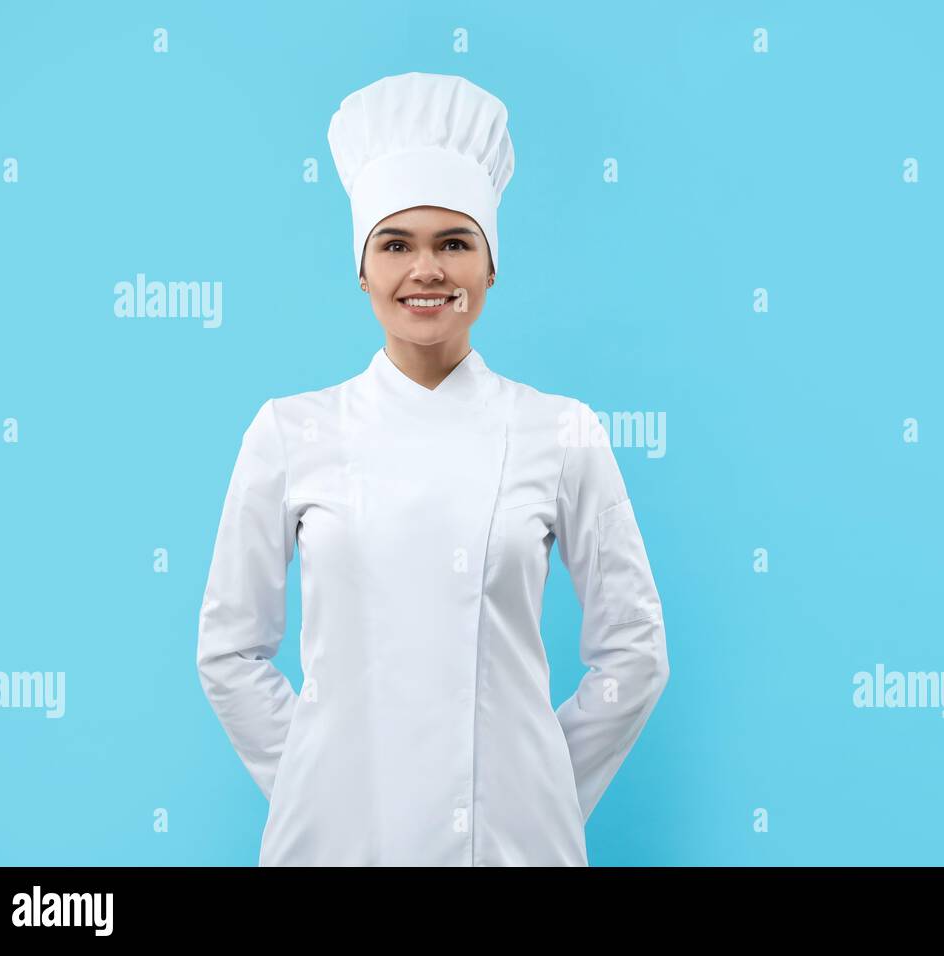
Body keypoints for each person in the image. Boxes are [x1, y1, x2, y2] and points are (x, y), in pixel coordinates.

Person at [195, 72, 669, 866]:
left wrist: (534, 784)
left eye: (454, 243)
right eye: (395, 244)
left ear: (491, 268)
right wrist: (322, 785)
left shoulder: (561, 432)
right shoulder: (289, 431)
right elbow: (229, 653)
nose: (426, 270)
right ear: (361, 269)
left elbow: (635, 652)